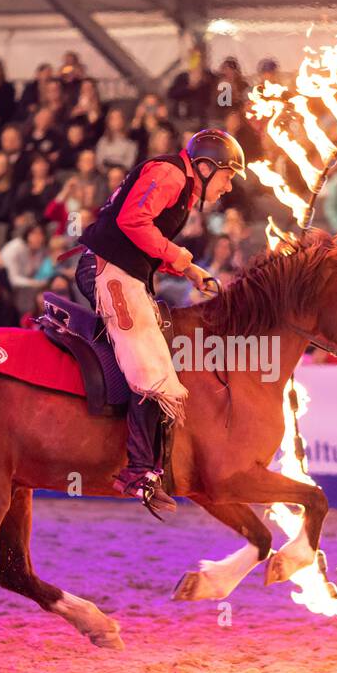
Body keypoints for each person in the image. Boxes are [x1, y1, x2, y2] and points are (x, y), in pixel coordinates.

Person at [74, 128, 242, 514]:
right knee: (150, 368)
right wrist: (182, 258)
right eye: (227, 175)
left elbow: (140, 234)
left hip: (122, 270)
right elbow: (134, 222)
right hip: (107, 271)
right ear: (203, 167)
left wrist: (190, 270)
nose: (229, 186)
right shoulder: (170, 176)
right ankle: (137, 472)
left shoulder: (178, 182)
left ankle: (148, 467)